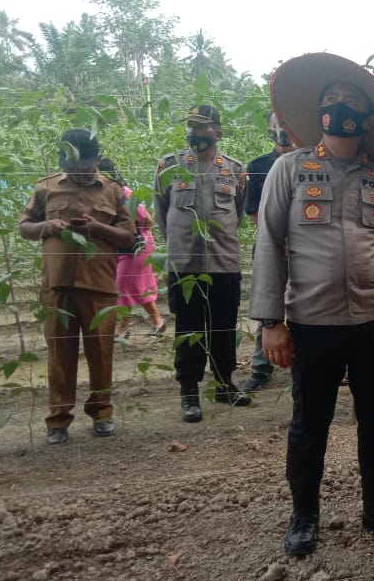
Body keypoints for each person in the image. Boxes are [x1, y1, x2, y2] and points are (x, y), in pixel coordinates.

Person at [250, 53, 374, 556]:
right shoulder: (290, 169)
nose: (339, 108)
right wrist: (269, 322)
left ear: (366, 118)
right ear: (320, 114)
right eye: (330, 102)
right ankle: (304, 515)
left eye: (350, 102)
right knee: (310, 422)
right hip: (310, 322)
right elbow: (267, 243)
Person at [19, 129, 136, 444]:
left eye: (83, 165)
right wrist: (48, 226)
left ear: (97, 160)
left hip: (100, 286)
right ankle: (58, 421)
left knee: (101, 353)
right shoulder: (46, 188)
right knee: (60, 354)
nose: (76, 171)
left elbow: (129, 236)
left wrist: (97, 228)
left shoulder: (113, 191)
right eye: (70, 165)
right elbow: (24, 227)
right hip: (57, 287)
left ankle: (102, 413)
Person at [154, 105, 251, 422]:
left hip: (223, 264)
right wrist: (180, 246)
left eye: (203, 128)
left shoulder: (235, 170)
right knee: (188, 328)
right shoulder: (170, 167)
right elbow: (162, 213)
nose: (196, 133)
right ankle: (189, 393)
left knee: (223, 328)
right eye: (192, 127)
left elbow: (236, 213)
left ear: (218, 132)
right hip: (185, 266)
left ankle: (225, 384)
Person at [242, 111, 297, 393]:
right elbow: (253, 211)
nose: (282, 131)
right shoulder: (258, 166)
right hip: (271, 248)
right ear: (269, 130)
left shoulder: (309, 164)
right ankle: (261, 367)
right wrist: (280, 238)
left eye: (286, 124)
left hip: (304, 250)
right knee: (268, 307)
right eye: (277, 125)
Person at [114, 185, 165, 339]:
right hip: (121, 247)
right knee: (134, 286)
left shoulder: (124, 193)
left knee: (123, 286)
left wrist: (136, 232)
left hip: (137, 246)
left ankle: (124, 329)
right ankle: (158, 322)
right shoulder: (102, 193)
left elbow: (146, 218)